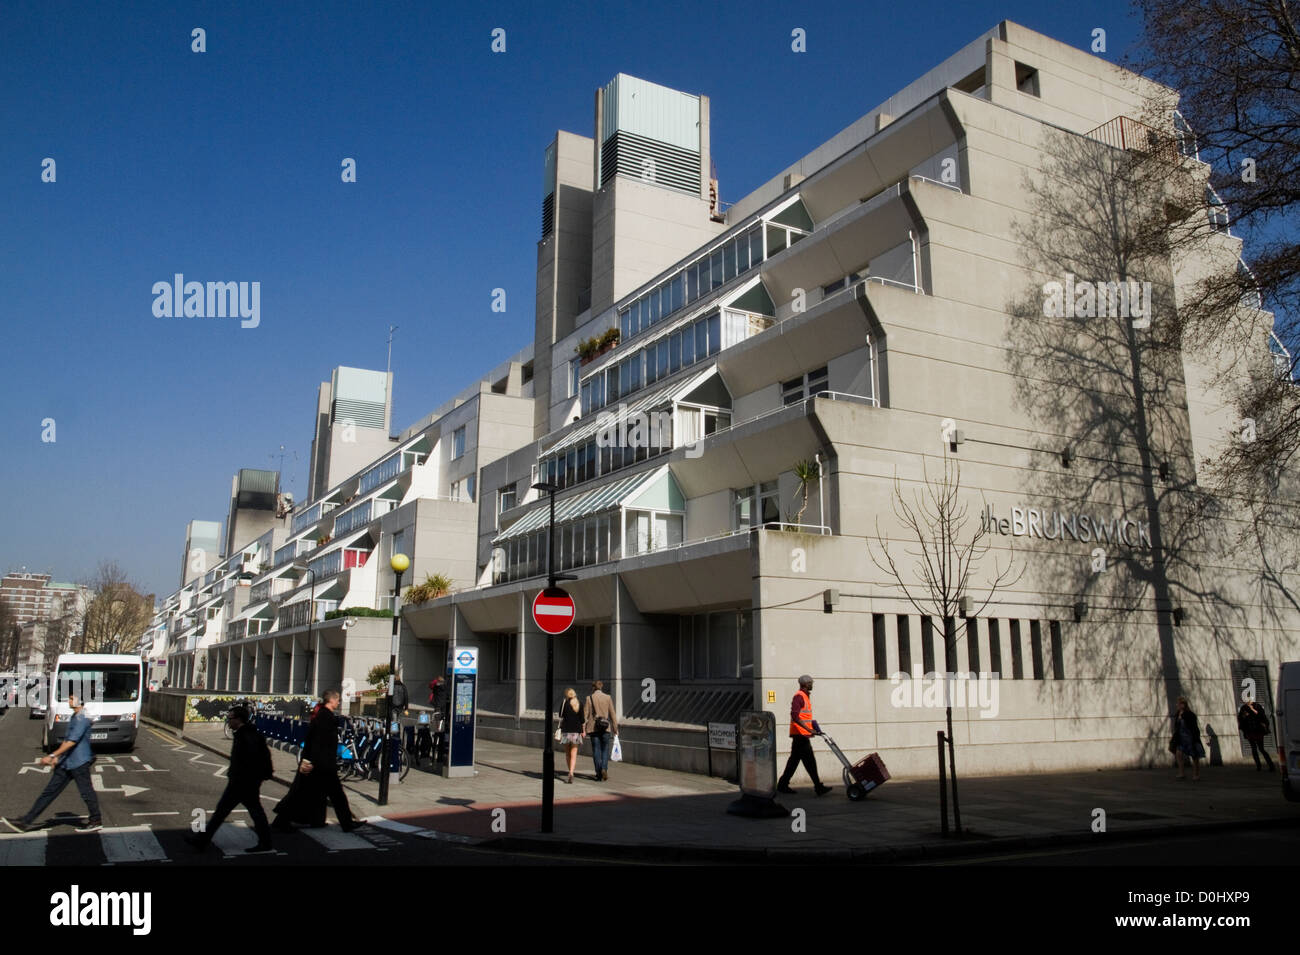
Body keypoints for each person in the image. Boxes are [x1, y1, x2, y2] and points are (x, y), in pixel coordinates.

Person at [2, 692, 102, 833]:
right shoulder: (75, 716)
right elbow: (69, 740)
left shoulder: (81, 718)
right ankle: (24, 822)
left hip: (79, 762)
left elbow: (71, 741)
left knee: (86, 792)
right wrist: (58, 758)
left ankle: (96, 820)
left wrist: (52, 755)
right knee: (48, 793)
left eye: (72, 698)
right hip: (67, 762)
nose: (69, 700)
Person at [185, 706, 274, 853]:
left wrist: (245, 778)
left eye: (230, 718)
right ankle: (201, 840)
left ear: (238, 719)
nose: (228, 721)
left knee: (251, 812)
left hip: (243, 782)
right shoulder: (244, 733)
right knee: (225, 812)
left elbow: (251, 760)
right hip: (242, 781)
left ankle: (266, 843)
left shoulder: (246, 736)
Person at [273, 689, 362, 832]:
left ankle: (316, 821)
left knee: (315, 794)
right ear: (331, 700)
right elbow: (317, 742)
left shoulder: (322, 715)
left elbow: (312, 740)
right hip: (322, 764)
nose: (338, 702)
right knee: (333, 795)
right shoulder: (325, 717)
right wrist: (310, 761)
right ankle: (346, 823)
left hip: (320, 763)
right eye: (337, 699)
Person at [777, 675, 832, 796]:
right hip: (800, 735)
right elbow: (795, 716)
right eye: (811, 682)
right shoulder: (799, 697)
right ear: (805, 684)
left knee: (795, 760)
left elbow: (804, 716)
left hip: (802, 734)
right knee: (809, 761)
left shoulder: (805, 697)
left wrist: (813, 727)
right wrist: (808, 729)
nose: (812, 684)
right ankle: (818, 786)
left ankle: (783, 784)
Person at [583, 679, 619, 781]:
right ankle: (604, 768)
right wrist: (615, 728)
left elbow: (585, 715)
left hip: (593, 728)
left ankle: (598, 772)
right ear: (601, 687)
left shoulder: (589, 698)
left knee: (596, 750)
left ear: (593, 687)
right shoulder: (607, 697)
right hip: (605, 727)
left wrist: (583, 729)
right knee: (605, 750)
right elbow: (612, 714)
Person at [1171, 696, 1206, 781]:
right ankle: (1182, 773)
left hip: (1190, 738)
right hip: (1181, 738)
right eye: (1178, 704)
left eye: (1179, 704)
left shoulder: (1190, 714)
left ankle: (1196, 774)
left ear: (1183, 705)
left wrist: (1195, 737)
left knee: (1194, 756)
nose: (1178, 705)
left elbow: (1194, 727)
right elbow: (1177, 727)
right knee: (1179, 754)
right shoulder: (1177, 714)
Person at [1237, 698, 1275, 772]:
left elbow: (1262, 716)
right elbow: (1241, 719)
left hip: (1258, 731)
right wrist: (1244, 717)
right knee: (1254, 749)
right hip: (1250, 731)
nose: (1247, 702)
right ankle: (1258, 766)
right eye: (1246, 701)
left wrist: (1252, 710)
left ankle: (1271, 765)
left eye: (1249, 700)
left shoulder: (1257, 706)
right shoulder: (1243, 708)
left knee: (1261, 749)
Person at [557, 688, 585, 784]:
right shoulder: (580, 704)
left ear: (567, 695)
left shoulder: (564, 703)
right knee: (574, 754)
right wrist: (583, 731)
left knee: (567, 754)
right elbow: (582, 719)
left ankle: (570, 771)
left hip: (566, 731)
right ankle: (571, 772)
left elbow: (560, 715)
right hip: (576, 731)